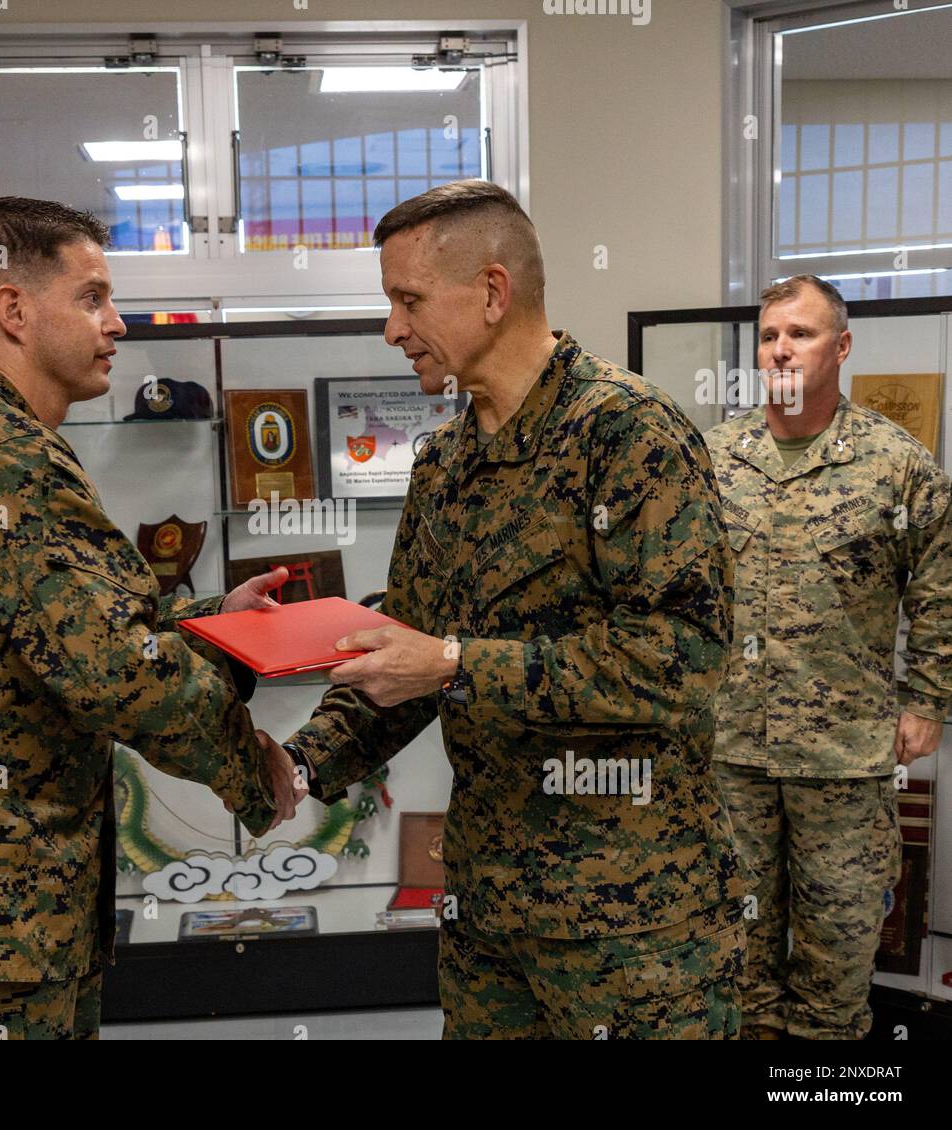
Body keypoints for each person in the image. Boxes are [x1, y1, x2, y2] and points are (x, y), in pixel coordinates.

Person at [268, 179, 747, 1039]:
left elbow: (684, 660)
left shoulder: (629, 434)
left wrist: (457, 664)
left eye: (408, 300)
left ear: (493, 292)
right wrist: (297, 768)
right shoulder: (444, 461)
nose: (391, 328)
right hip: (490, 917)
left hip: (633, 927)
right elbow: (396, 659)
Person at [0, 196, 298, 1040]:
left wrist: (210, 623)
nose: (117, 324)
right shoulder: (5, 459)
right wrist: (249, 769)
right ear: (13, 309)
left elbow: (63, 635)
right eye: (91, 298)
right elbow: (116, 672)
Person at [705, 275, 952, 1039]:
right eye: (770, 334)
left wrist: (927, 700)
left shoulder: (896, 465)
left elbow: (940, 591)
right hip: (731, 751)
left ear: (840, 347)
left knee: (836, 967)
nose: (781, 348)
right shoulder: (711, 459)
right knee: (736, 962)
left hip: (843, 759)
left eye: (801, 333)